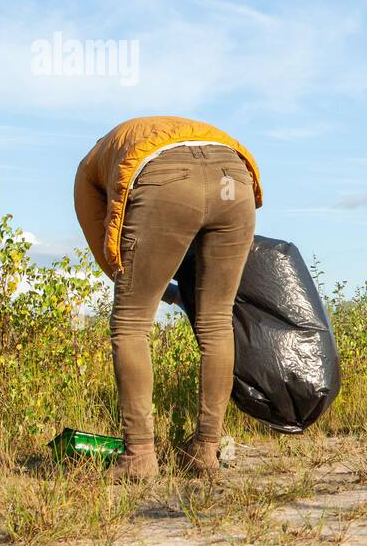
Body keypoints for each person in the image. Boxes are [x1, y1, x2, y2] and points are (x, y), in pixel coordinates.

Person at [74, 116, 261, 479]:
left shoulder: (88, 169)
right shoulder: (153, 131)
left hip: (166, 179)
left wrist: (149, 289)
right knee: (216, 321)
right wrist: (174, 293)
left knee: (130, 324)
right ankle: (206, 449)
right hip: (235, 177)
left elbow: (108, 249)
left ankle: (140, 455)